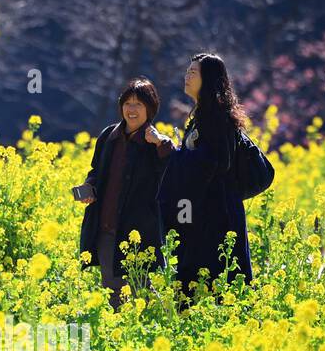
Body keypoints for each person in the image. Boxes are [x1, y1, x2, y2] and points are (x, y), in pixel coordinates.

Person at [157, 53, 252, 298]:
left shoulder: (216, 117)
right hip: (205, 214)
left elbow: (214, 163)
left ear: (207, 79)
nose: (186, 76)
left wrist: (171, 153)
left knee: (214, 287)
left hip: (216, 219)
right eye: (187, 71)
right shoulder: (203, 115)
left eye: (193, 73)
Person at [76, 78, 173, 307]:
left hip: (140, 235)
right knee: (113, 296)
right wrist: (89, 187)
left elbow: (173, 172)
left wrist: (161, 143)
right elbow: (96, 172)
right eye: (128, 103)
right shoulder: (109, 136)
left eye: (138, 104)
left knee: (144, 297)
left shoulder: (156, 143)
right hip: (107, 230)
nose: (132, 109)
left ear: (150, 109)